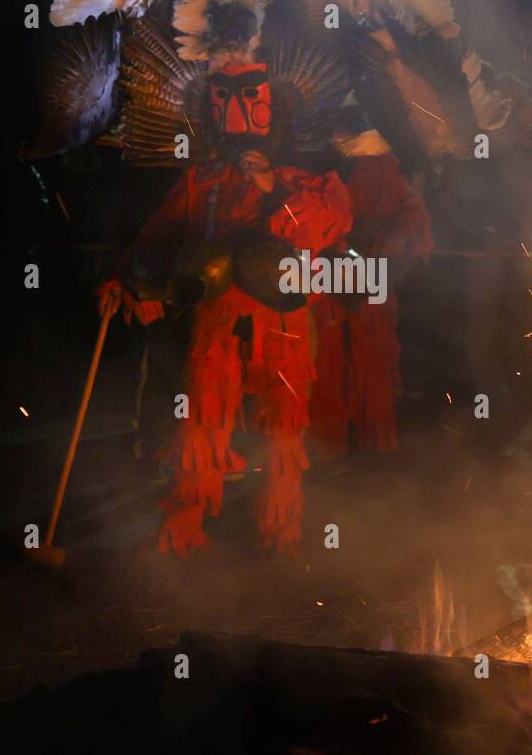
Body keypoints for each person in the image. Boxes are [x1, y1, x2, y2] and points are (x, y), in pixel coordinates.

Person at [98, 58, 351, 558]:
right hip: (216, 321)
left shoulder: (303, 181)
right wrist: (123, 279)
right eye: (222, 99)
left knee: (283, 428)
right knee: (201, 422)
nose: (236, 113)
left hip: (281, 323)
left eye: (250, 98)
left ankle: (281, 534)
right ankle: (183, 528)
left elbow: (326, 225)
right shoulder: (202, 182)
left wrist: (270, 186)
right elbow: (159, 237)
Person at [309, 111, 432, 456]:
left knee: (363, 356)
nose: (336, 137)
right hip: (335, 274)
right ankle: (341, 441)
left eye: (341, 133)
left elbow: (411, 221)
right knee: (334, 358)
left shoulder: (381, 166)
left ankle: (357, 441)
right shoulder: (331, 165)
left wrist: (380, 263)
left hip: (364, 273)